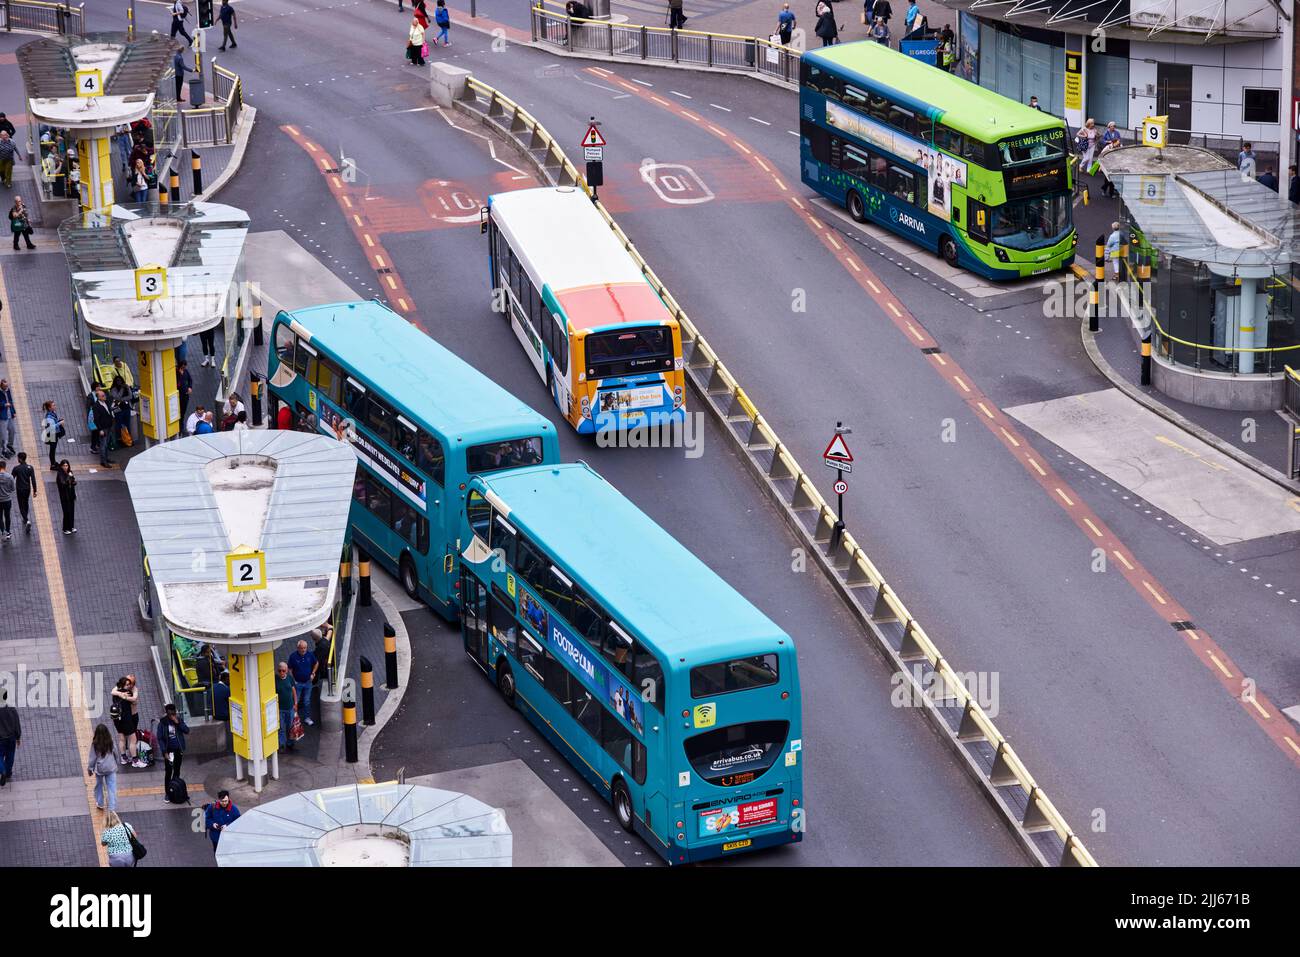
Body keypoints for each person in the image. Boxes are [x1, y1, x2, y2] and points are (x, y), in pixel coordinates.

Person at [157, 703, 188, 800]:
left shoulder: (178, 720)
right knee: (168, 771)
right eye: (170, 714)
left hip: (178, 749)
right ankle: (168, 793)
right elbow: (160, 738)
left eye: (173, 713)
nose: (172, 716)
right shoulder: (163, 723)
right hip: (169, 750)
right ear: (167, 713)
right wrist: (164, 752)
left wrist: (177, 722)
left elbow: (186, 730)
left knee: (177, 770)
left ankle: (175, 788)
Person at [111, 676, 143, 766]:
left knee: (122, 738)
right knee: (133, 739)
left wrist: (120, 695)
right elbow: (134, 699)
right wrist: (125, 696)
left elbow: (112, 691)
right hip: (127, 718)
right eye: (127, 684)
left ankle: (124, 757)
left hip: (117, 718)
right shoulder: (128, 692)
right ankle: (135, 760)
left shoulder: (116, 692)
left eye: (130, 684)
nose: (129, 686)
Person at [87, 723, 120, 811]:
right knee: (112, 787)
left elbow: (92, 757)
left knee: (99, 786)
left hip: (100, 768)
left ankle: (100, 802)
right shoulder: (110, 741)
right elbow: (116, 752)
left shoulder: (95, 743)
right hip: (111, 767)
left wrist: (90, 768)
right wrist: (117, 762)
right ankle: (112, 807)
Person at [287, 639, 318, 727]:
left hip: (308, 682)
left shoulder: (310, 655)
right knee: (296, 701)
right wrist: (293, 680)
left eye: (305, 648)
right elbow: (290, 669)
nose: (303, 650)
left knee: (306, 701)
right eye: (302, 648)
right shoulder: (293, 656)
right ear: (298, 648)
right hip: (298, 683)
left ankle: (307, 718)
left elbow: (316, 663)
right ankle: (294, 719)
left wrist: (313, 673)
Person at [89, 389, 115, 469]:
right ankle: (103, 461)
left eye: (104, 395)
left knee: (106, 444)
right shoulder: (96, 406)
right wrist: (100, 430)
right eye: (103, 396)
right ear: (99, 397)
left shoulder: (105, 402)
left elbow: (108, 412)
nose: (105, 396)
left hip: (109, 426)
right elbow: (96, 419)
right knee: (103, 445)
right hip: (103, 428)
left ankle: (106, 458)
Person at [0, 688, 20, 786]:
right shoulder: (12, 709)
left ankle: (2, 770)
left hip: (0, 739)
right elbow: (17, 724)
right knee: (10, 756)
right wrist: (18, 737)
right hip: (11, 737)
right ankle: (8, 773)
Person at [275, 661, 296, 750]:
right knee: (281, 727)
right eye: (279, 670)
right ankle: (282, 744)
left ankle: (290, 742)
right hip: (280, 709)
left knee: (290, 726)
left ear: (286, 670)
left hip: (290, 707)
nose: (281, 673)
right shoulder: (275, 679)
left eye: (283, 671)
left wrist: (296, 703)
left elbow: (294, 691)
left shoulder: (290, 678)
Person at [13, 453, 35, 534]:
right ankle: (25, 517)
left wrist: (11, 488)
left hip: (19, 489)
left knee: (21, 505)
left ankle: (26, 520)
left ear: (20, 459)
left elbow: (12, 479)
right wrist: (35, 490)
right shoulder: (30, 468)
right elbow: (33, 479)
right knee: (25, 502)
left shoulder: (16, 468)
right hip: (27, 489)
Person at [313, 621, 334, 696]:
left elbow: (316, 662)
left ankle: (314, 683)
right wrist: (326, 625)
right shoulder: (326, 641)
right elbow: (331, 629)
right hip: (326, 661)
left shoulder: (318, 649)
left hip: (321, 663)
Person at [55, 460, 76, 534]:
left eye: (67, 465)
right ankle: (65, 528)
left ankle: (71, 526)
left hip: (71, 495)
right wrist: (68, 477)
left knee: (71, 511)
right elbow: (63, 484)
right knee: (66, 512)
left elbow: (73, 481)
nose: (65, 467)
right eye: (64, 466)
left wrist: (73, 480)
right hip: (64, 496)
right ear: (61, 466)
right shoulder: (60, 474)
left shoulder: (70, 472)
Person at [42, 401, 63, 470]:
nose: (55, 406)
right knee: (52, 450)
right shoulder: (49, 416)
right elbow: (52, 427)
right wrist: (60, 423)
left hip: (54, 434)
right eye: (53, 405)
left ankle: (54, 462)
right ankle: (53, 465)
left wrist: (58, 421)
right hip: (52, 435)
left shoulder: (52, 413)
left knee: (53, 449)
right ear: (49, 408)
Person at [0, 378, 15, 459]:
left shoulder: (8, 390)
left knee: (12, 431)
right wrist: (4, 405)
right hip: (2, 417)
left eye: (7, 386)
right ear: (1, 385)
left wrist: (13, 411)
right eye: (5, 386)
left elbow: (11, 401)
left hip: (10, 415)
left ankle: (9, 445)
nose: (6, 387)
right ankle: (3, 450)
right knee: (3, 435)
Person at [0, 462, 14, 543]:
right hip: (7, 500)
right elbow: (12, 489)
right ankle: (8, 532)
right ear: (5, 467)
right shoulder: (10, 477)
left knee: (0, 516)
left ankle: (3, 531)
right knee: (7, 515)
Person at [176, 359, 192, 425]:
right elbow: (178, 383)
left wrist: (190, 387)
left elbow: (190, 379)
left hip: (185, 395)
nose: (184, 368)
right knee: (179, 410)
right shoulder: (176, 373)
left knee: (183, 411)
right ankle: (179, 424)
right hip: (179, 395)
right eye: (182, 367)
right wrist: (180, 375)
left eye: (185, 367)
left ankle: (181, 423)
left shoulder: (186, 371)